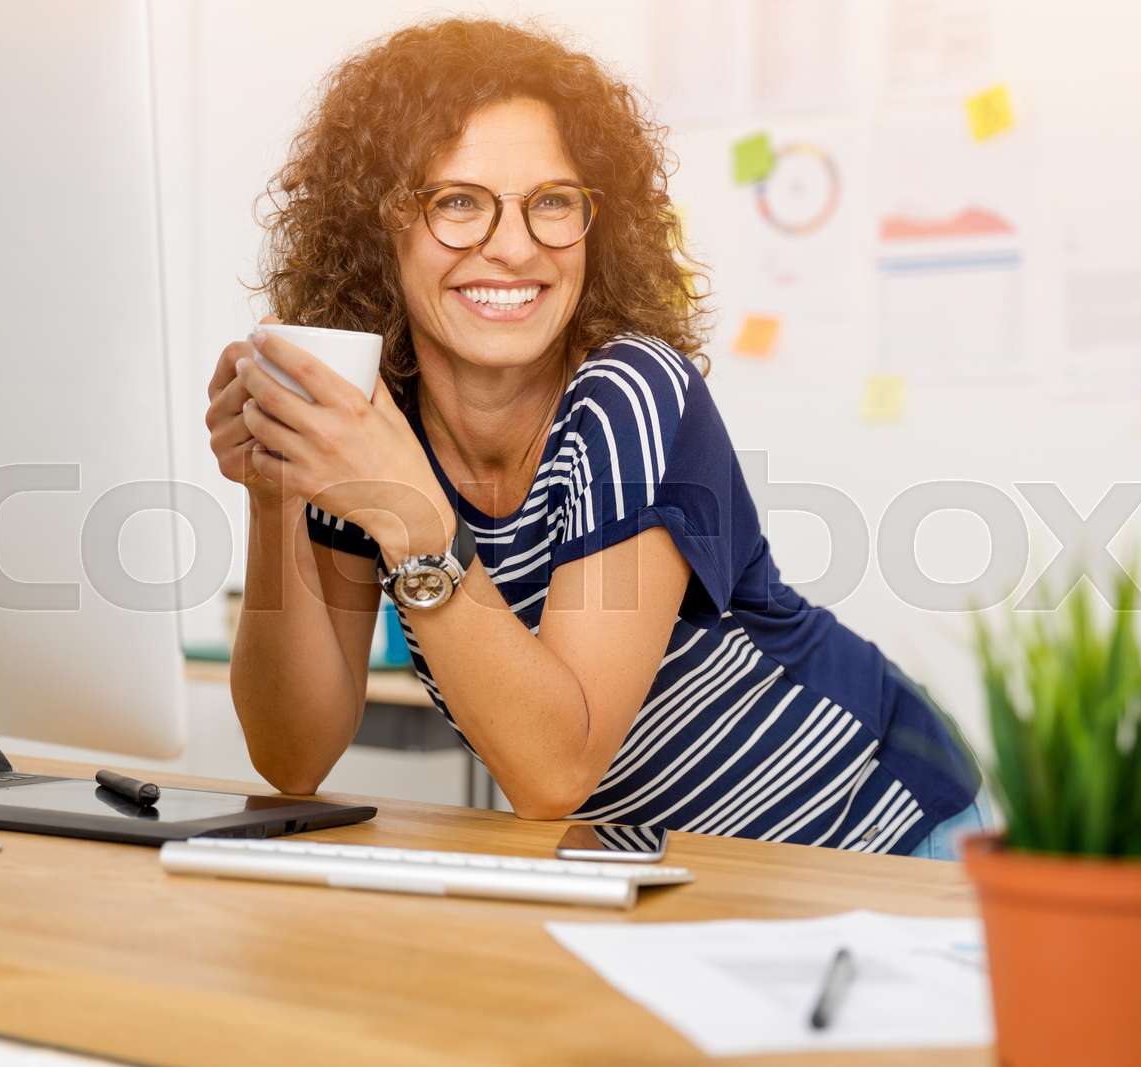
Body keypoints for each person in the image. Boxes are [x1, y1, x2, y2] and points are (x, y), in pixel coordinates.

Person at [205, 18, 985, 859]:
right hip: (681, 868)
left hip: (876, 826)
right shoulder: (372, 424)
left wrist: (410, 510)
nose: (513, 247)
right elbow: (294, 756)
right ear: (378, 227)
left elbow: (555, 772)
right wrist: (277, 487)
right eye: (457, 202)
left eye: (551, 203)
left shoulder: (632, 395)